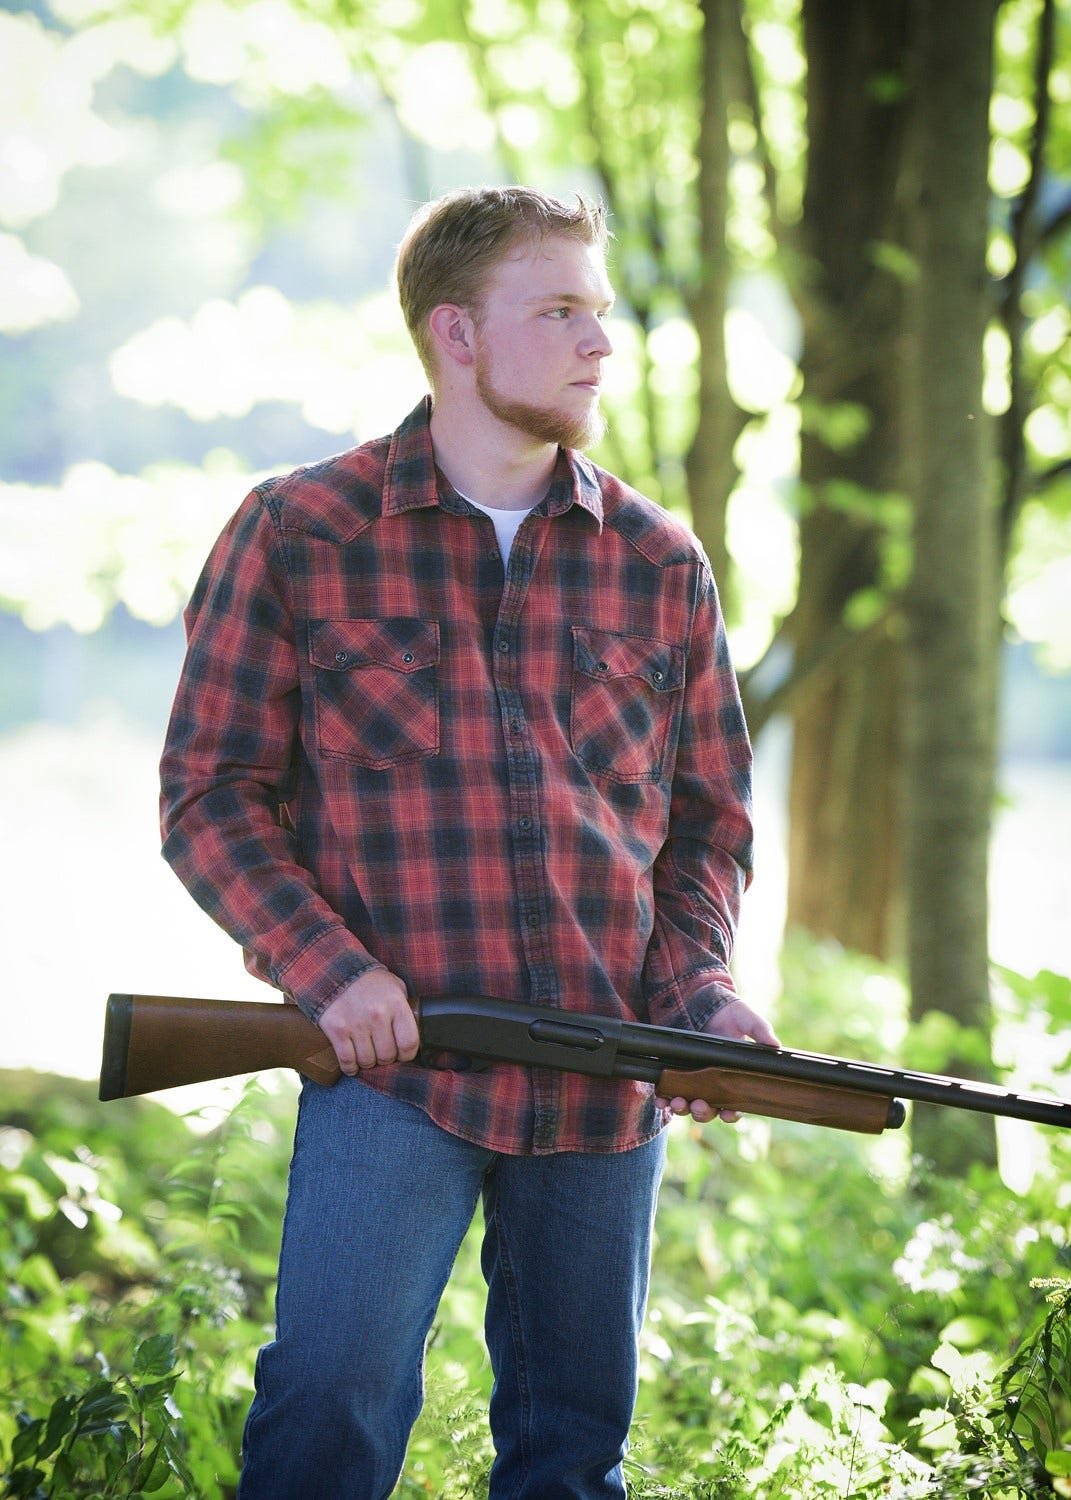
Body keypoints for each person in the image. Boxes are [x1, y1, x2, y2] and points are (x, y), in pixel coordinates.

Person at [159, 184, 779, 1499]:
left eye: (599, 315)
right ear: (455, 333)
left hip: (606, 1090)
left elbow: (706, 832)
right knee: (326, 1412)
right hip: (397, 1077)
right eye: (560, 312)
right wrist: (330, 973)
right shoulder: (300, 534)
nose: (600, 344)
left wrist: (703, 1002)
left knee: (570, 1452)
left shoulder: (661, 565)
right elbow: (210, 793)